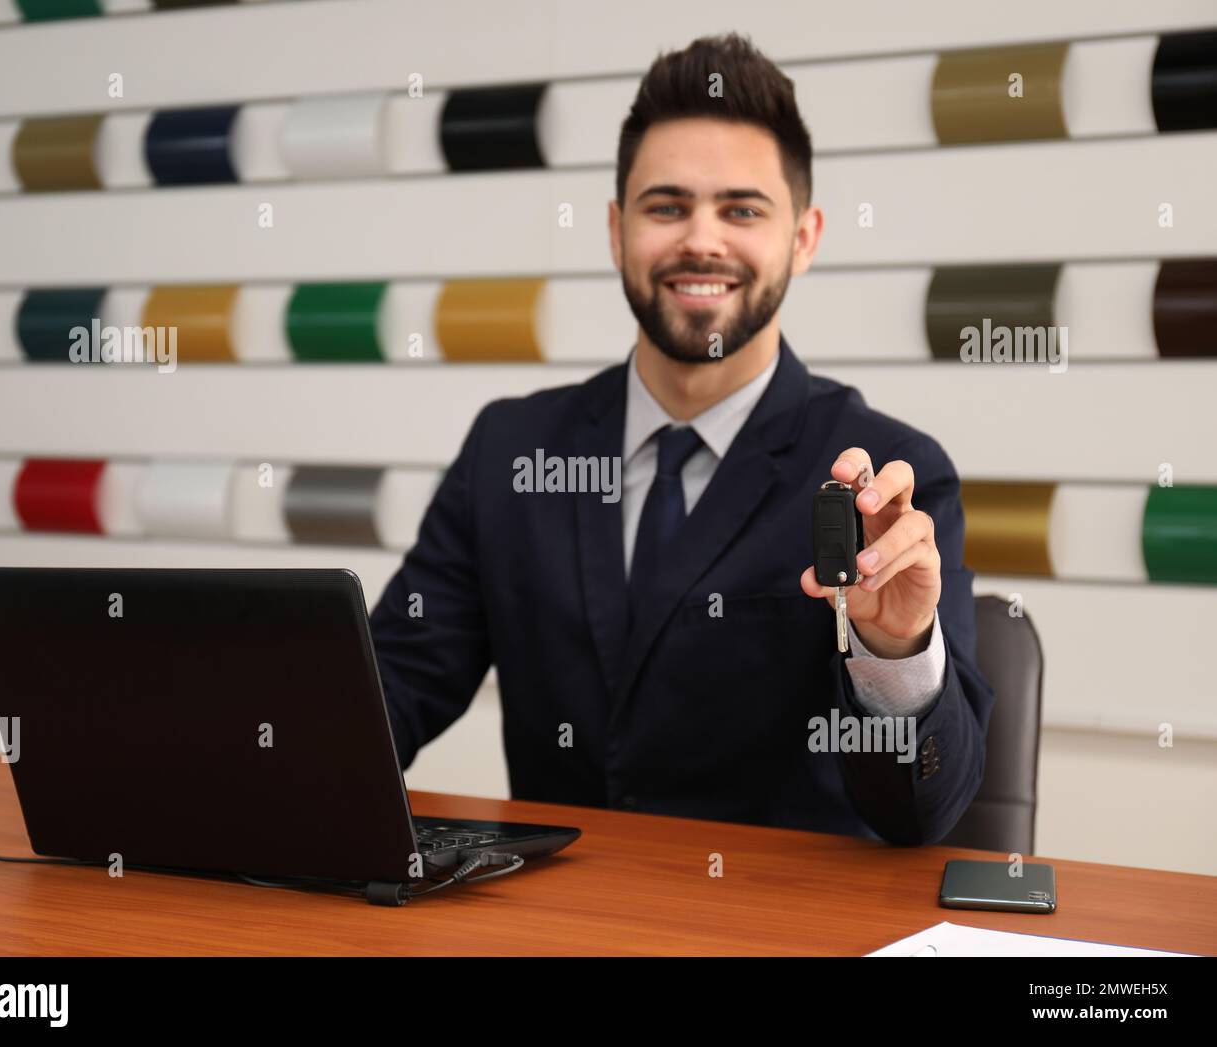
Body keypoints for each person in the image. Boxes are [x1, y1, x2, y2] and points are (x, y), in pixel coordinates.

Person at [369, 32, 993, 844]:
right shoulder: (511, 448)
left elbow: (924, 814)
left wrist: (895, 646)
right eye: (666, 207)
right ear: (615, 229)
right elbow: (388, 687)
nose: (702, 239)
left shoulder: (888, 481)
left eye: (742, 209)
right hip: (562, 923)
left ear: (803, 238)